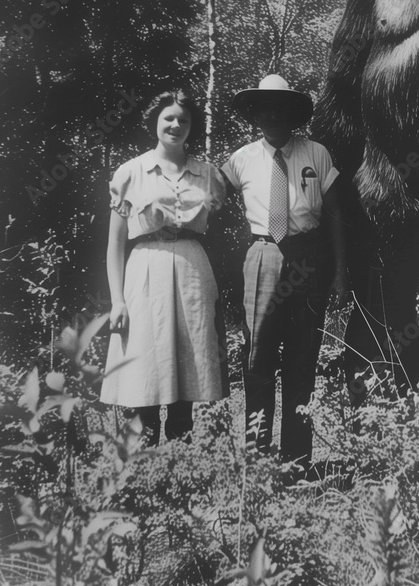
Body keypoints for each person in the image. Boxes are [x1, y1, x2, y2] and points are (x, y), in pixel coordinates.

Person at [221, 74, 347, 471]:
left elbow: (336, 216)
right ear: (256, 114)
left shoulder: (317, 153)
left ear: (294, 114)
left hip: (308, 257)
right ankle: (256, 465)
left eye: (282, 107)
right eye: (265, 107)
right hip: (262, 255)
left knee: (302, 357)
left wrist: (341, 272)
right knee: (257, 358)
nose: (273, 114)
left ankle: (298, 462)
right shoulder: (240, 159)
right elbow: (207, 208)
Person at [101, 91, 228, 443]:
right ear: (154, 122)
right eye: (168, 118)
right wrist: (117, 300)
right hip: (145, 269)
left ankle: (179, 455)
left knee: (188, 362)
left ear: (192, 127)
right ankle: (141, 460)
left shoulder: (207, 174)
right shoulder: (131, 172)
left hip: (191, 271)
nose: (175, 125)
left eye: (183, 120)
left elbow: (217, 232)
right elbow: (115, 243)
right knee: (145, 363)